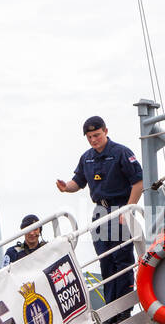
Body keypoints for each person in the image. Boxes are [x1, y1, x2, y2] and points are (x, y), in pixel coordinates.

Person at [56, 115, 143, 308]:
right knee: (106, 261)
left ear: (106, 131)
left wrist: (127, 210)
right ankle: (110, 309)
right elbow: (77, 182)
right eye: (89, 137)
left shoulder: (121, 152)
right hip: (100, 212)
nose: (94, 140)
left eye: (97, 135)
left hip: (120, 208)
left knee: (122, 261)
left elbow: (138, 183)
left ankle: (123, 310)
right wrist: (66, 187)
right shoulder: (87, 158)